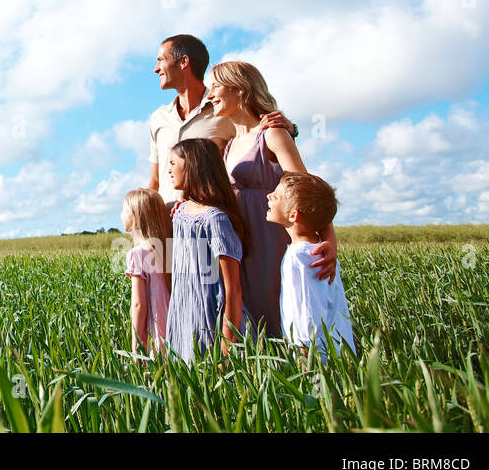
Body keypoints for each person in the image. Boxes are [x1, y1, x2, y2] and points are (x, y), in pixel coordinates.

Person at [208, 60, 337, 339]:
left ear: (240, 89)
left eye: (215, 86)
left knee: (277, 313)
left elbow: (307, 191)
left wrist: (329, 239)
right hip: (241, 242)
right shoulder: (229, 144)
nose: (209, 95)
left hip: (270, 239)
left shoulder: (273, 134)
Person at [147, 35, 295, 204]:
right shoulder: (158, 118)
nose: (156, 68)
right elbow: (155, 180)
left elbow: (265, 145)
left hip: (213, 218)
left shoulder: (226, 110)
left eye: (160, 60)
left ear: (183, 62)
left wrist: (290, 131)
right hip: (169, 220)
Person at [164, 138, 248, 362]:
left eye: (173, 162)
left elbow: (233, 289)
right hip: (183, 312)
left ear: (192, 165)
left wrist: (227, 345)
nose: (168, 169)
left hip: (210, 314)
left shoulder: (215, 220)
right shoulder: (180, 213)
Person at [266, 172, 355, 361]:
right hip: (336, 347)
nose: (269, 196)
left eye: (276, 195)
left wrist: (303, 346)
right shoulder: (322, 253)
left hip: (313, 352)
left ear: (293, 215)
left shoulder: (299, 256)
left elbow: (306, 305)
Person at [120, 188, 172, 356]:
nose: (121, 214)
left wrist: (135, 341)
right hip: (175, 323)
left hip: (156, 327)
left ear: (135, 215)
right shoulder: (169, 248)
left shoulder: (137, 254)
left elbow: (138, 304)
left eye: (124, 210)